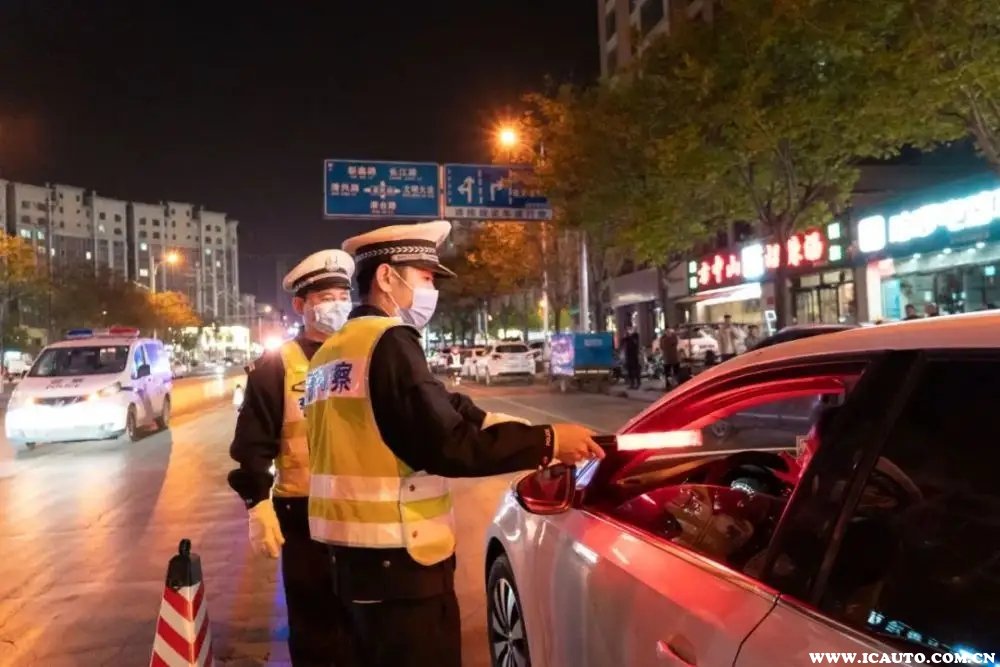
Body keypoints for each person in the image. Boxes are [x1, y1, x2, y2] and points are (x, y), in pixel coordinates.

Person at [304, 220, 603, 667]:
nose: (431, 291)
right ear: (386, 277)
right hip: (400, 562)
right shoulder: (388, 340)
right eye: (425, 278)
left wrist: (505, 425)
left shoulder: (332, 350)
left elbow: (437, 403)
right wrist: (548, 441)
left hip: (349, 562)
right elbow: (447, 445)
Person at [228, 249, 356, 667]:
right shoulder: (276, 366)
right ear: (301, 306)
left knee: (364, 625)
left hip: (364, 512)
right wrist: (257, 503)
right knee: (314, 625)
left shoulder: (366, 354)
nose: (337, 305)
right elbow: (253, 442)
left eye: (343, 296)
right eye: (326, 298)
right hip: (303, 514)